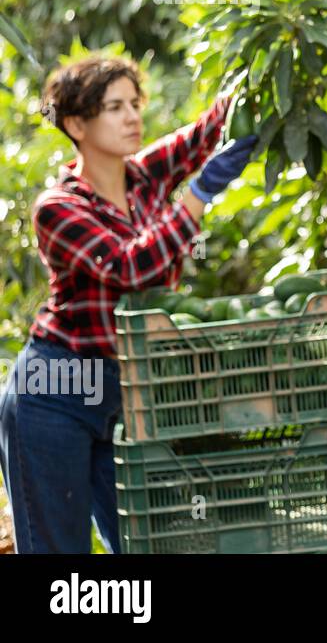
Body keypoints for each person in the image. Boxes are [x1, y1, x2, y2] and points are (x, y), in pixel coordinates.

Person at [0, 55, 257, 552]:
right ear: (76, 124)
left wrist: (252, 79)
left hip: (121, 389)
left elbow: (204, 133)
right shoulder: (59, 208)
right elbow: (129, 269)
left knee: (144, 543)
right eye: (114, 107)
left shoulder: (143, 178)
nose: (133, 117)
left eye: (135, 104)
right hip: (56, 388)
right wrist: (198, 196)